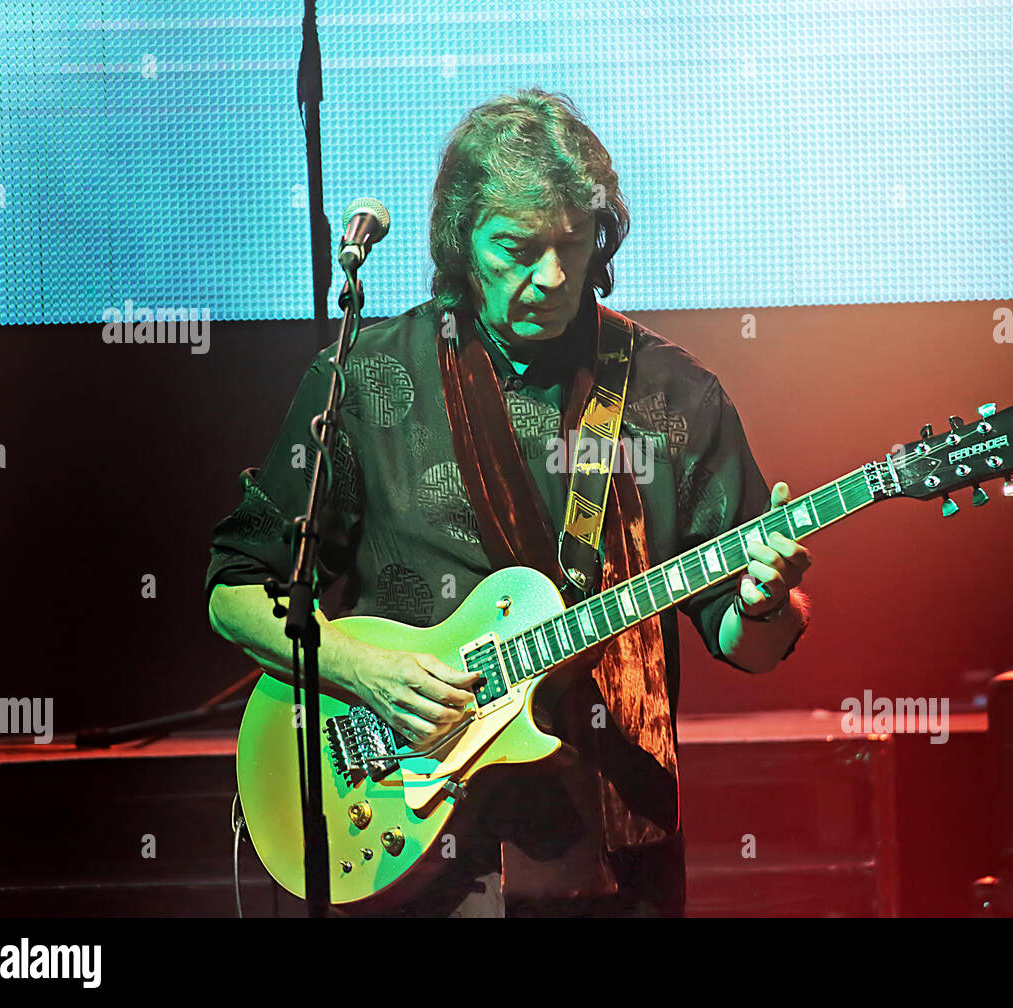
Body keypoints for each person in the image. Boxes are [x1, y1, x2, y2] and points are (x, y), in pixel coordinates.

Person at [206, 88, 811, 917]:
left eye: (573, 243)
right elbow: (234, 590)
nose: (553, 276)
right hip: (408, 840)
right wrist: (365, 673)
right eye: (517, 250)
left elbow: (747, 643)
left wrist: (767, 603)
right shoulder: (371, 377)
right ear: (462, 244)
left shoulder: (674, 396)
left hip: (606, 853)